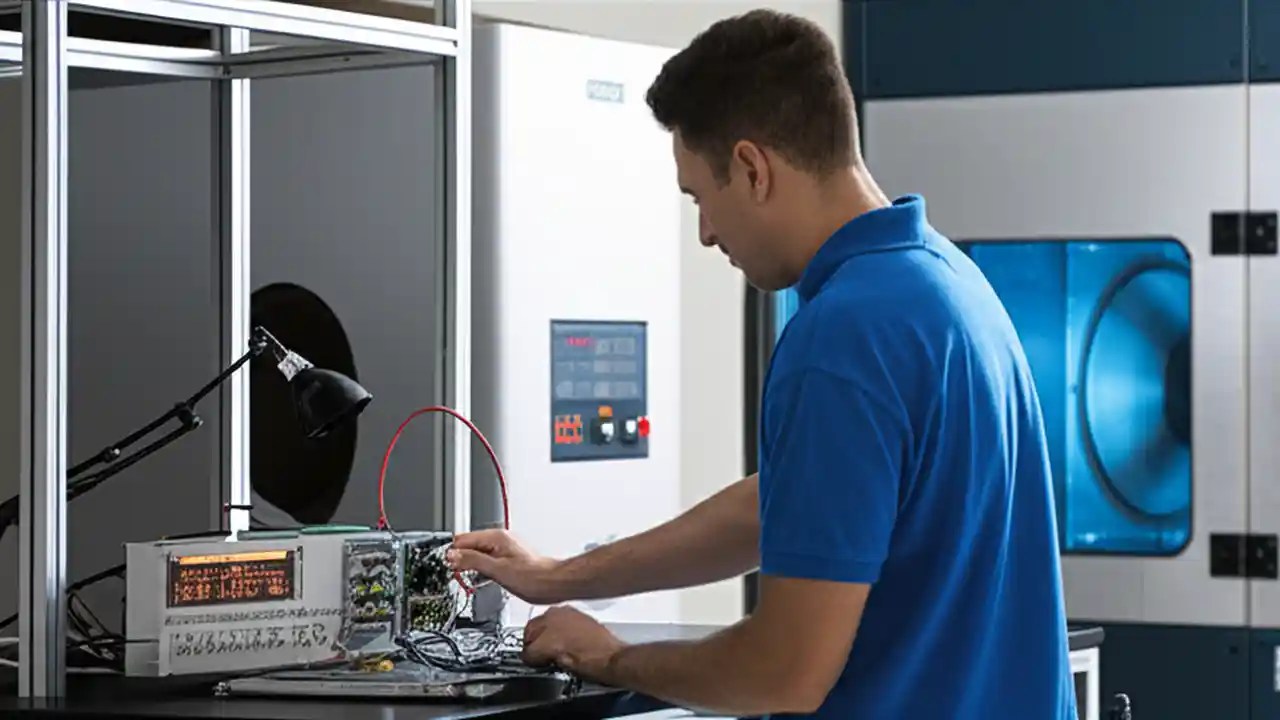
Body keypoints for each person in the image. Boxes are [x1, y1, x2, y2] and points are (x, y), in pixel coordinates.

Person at [447, 9, 1077, 719]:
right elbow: (786, 503)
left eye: (699, 198)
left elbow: (784, 672)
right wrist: (561, 575)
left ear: (751, 169)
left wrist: (607, 656)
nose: (706, 232)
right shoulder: (947, 286)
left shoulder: (843, 337)